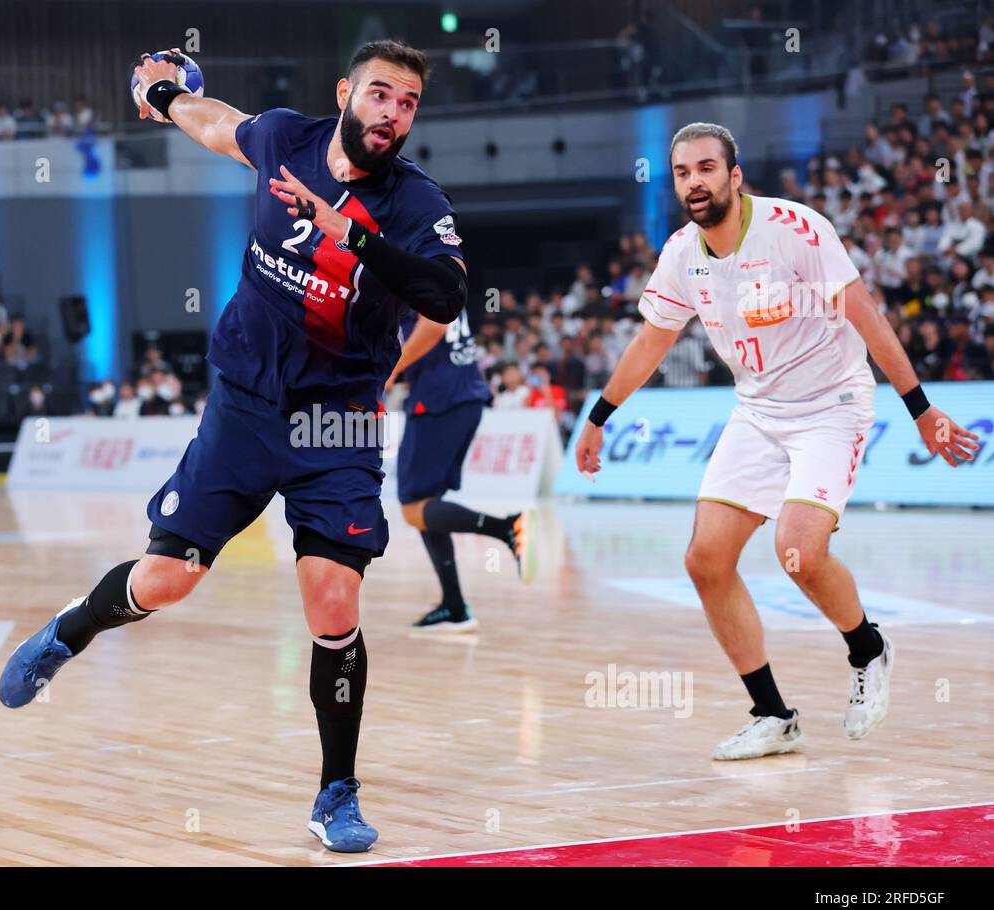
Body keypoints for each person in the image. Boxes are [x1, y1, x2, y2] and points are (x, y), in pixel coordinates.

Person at [0, 39, 467, 853]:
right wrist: (169, 92)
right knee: (167, 579)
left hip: (338, 423)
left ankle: (336, 794)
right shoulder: (285, 137)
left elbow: (448, 293)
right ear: (345, 92)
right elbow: (220, 127)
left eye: (409, 103)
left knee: (333, 600)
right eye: (381, 95)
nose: (393, 113)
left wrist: (352, 238)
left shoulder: (417, 205)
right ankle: (69, 630)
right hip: (246, 405)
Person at [573, 123, 978, 761]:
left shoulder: (795, 229)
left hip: (831, 404)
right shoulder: (682, 253)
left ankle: (868, 648)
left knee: (798, 551)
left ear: (735, 177)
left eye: (707, 168)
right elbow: (652, 342)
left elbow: (866, 315)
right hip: (758, 410)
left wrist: (920, 409)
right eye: (682, 172)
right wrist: (598, 415)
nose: (694, 182)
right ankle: (772, 714)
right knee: (705, 560)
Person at [385, 309, 537, 633]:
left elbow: (433, 326)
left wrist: (391, 369)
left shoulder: (407, 269)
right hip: (463, 395)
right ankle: (454, 606)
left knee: (413, 508)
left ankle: (507, 527)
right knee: (427, 505)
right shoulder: (442, 262)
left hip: (439, 401)